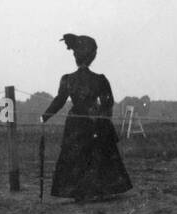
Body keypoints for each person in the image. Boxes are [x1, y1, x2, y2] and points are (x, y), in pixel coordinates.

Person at [42, 33, 132, 201]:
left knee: (77, 158)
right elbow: (108, 103)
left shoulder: (68, 79)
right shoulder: (100, 79)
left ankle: (79, 192)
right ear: (92, 57)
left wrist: (44, 117)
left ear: (75, 56)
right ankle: (99, 190)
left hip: (76, 123)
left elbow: (59, 101)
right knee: (97, 156)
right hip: (95, 121)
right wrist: (102, 119)